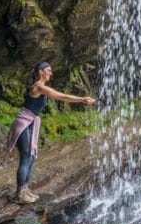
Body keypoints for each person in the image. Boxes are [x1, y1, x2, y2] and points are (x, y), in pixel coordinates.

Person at [6, 61, 95, 204]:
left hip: (30, 123)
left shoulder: (40, 87)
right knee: (26, 157)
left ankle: (25, 189)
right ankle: (20, 193)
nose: (51, 73)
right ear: (41, 72)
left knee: (31, 157)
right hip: (24, 123)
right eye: (49, 70)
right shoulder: (39, 87)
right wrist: (82, 99)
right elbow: (61, 96)